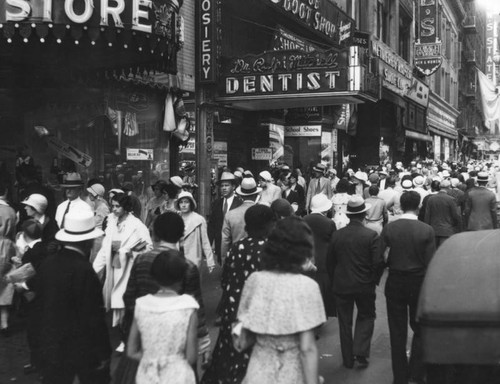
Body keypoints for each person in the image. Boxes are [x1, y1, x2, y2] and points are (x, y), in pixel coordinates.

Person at [120, 212, 211, 383]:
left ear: (155, 234)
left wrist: (130, 332)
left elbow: (129, 298)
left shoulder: (141, 260)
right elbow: (196, 308)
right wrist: (204, 344)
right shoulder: (187, 266)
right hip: (178, 347)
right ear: (181, 235)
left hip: (145, 340)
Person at [235, 216, 326, 384]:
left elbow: (241, 330)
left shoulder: (255, 280)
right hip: (291, 371)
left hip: (258, 369)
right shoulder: (308, 286)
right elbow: (307, 348)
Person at [27, 209, 111, 384]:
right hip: (81, 348)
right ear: (88, 241)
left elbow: (37, 307)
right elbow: (94, 316)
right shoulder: (85, 271)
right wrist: (103, 352)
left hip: (50, 345)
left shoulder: (47, 264)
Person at [201, 205, 276, 384]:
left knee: (231, 359)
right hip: (259, 316)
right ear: (268, 225)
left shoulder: (237, 248)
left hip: (233, 312)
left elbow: (225, 280)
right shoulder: (272, 250)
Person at [380, 191, 436, 384]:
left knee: (397, 330)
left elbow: (380, 257)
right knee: (419, 327)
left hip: (395, 280)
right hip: (418, 282)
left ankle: (400, 376)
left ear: (401, 206)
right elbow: (431, 262)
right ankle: (416, 371)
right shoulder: (426, 230)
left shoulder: (390, 229)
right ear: (419, 206)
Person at [326, 195, 383, 368]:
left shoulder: (337, 235)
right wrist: (373, 280)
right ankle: (360, 351)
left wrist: (335, 279)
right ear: (364, 214)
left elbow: (330, 262)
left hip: (342, 283)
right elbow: (378, 262)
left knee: (344, 322)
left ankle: (347, 359)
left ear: (349, 215)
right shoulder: (371, 235)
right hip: (364, 283)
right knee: (366, 316)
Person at [127, 250, 199, 384]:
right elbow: (191, 357)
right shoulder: (188, 306)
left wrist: (151, 359)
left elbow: (131, 351)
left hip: (147, 374)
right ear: (182, 277)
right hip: (178, 375)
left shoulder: (142, 305)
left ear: (154, 277)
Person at [93, 193, 153, 339]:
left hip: (129, 269)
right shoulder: (112, 222)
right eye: (112, 206)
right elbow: (105, 248)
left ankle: (129, 336)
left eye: (117, 206)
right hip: (114, 267)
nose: (114, 209)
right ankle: (123, 334)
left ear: (126, 207)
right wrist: (94, 270)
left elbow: (148, 246)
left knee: (126, 301)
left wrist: (128, 252)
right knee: (117, 303)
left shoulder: (137, 225)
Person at [304, 194, 337, 318]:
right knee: (323, 288)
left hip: (307, 256)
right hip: (323, 259)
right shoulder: (329, 223)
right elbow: (333, 242)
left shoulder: (303, 219)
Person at [221, 177, 262, 263]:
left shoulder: (230, 215)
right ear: (256, 195)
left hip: (237, 257)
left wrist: (224, 261)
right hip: (258, 257)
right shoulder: (263, 212)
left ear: (240, 195)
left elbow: (225, 241)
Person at [207, 172, 243, 264]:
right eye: (222, 186)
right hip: (220, 244)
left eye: (227, 185)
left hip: (235, 243)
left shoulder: (240, 203)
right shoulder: (216, 203)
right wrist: (208, 245)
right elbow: (212, 226)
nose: (223, 188)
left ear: (233, 187)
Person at [176, 191, 216, 271]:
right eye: (181, 202)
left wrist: (210, 261)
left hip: (193, 255)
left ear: (191, 204)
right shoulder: (176, 218)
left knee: (193, 280)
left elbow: (205, 241)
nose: (183, 205)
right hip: (178, 256)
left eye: (186, 202)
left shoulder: (198, 219)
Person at [0, 182, 16, 335]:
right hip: (7, 246)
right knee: (4, 285)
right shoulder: (10, 210)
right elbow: (13, 232)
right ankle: (4, 323)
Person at [424, 181, 460, 248]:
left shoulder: (431, 199)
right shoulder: (451, 199)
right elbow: (455, 215)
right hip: (447, 230)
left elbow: (427, 215)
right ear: (449, 188)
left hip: (434, 229)